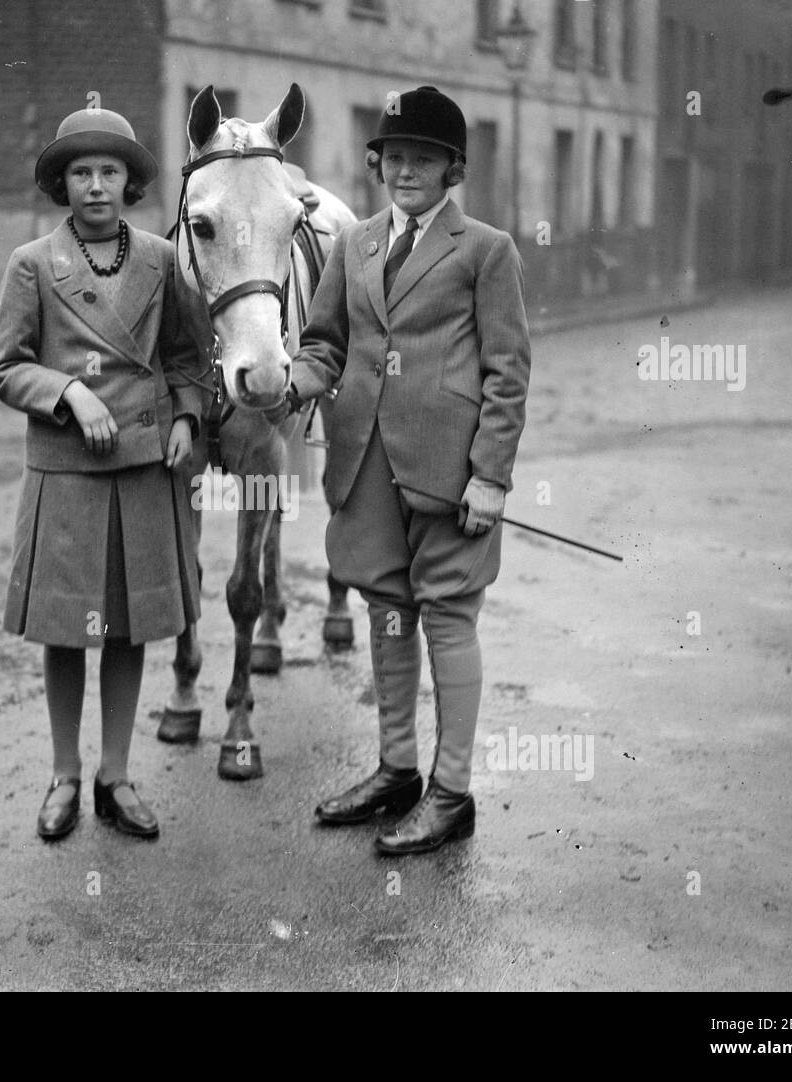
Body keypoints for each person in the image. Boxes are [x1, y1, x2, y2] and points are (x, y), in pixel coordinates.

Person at [268, 86, 531, 855]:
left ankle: (451, 793)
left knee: (448, 616)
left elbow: (507, 373)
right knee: (386, 605)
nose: (404, 169)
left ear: (452, 170)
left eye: (424, 158)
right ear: (378, 162)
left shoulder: (487, 250)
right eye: (394, 156)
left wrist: (491, 476)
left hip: (450, 473)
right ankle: (397, 772)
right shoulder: (358, 245)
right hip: (365, 463)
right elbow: (324, 344)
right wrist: (291, 383)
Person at [0, 107, 203, 842]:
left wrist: (186, 418)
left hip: (145, 467)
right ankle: (64, 777)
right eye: (80, 172)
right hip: (67, 470)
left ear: (130, 181)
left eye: (109, 171)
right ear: (62, 183)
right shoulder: (31, 264)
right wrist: (68, 392)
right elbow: (6, 368)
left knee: (129, 627)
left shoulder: (163, 260)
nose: (96, 186)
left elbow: (186, 358)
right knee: (65, 630)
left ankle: (115, 775)